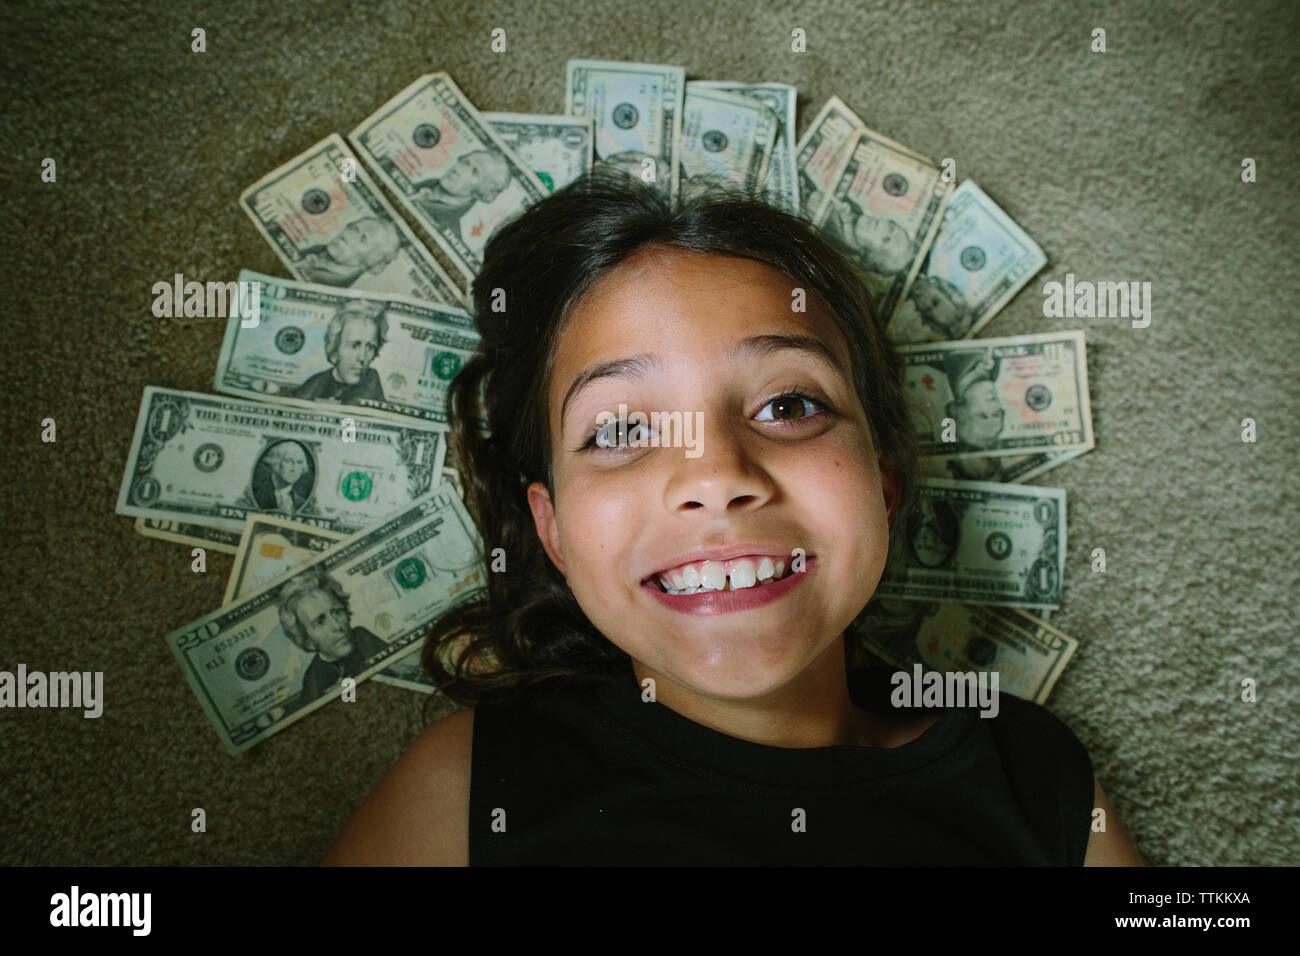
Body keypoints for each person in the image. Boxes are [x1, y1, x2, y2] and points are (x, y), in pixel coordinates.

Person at [322, 170, 1142, 867]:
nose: (715, 476)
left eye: (788, 404)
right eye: (619, 430)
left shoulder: (1034, 771)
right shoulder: (463, 789)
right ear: (554, 532)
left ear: (885, 482)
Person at [278, 570, 388, 703]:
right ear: (307, 641)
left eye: (337, 612)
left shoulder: (363, 637)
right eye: (320, 622)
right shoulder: (314, 681)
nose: (337, 626)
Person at [291, 300, 388, 405]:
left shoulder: (371, 381)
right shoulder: (314, 385)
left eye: (370, 347)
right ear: (336, 348)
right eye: (354, 345)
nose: (362, 357)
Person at [410, 151, 511, 244]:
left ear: (481, 191)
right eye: (464, 162)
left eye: (474, 172)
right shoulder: (412, 185)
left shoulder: (449, 239)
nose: (459, 170)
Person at [298, 216, 402, 287]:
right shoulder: (318, 250)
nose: (348, 235)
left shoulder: (327, 284)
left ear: (371, 260)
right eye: (353, 228)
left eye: (362, 239)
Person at [251, 441, 314, 515]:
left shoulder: (301, 503)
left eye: (299, 463)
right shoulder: (257, 495)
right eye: (288, 461)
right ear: (274, 463)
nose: (294, 469)